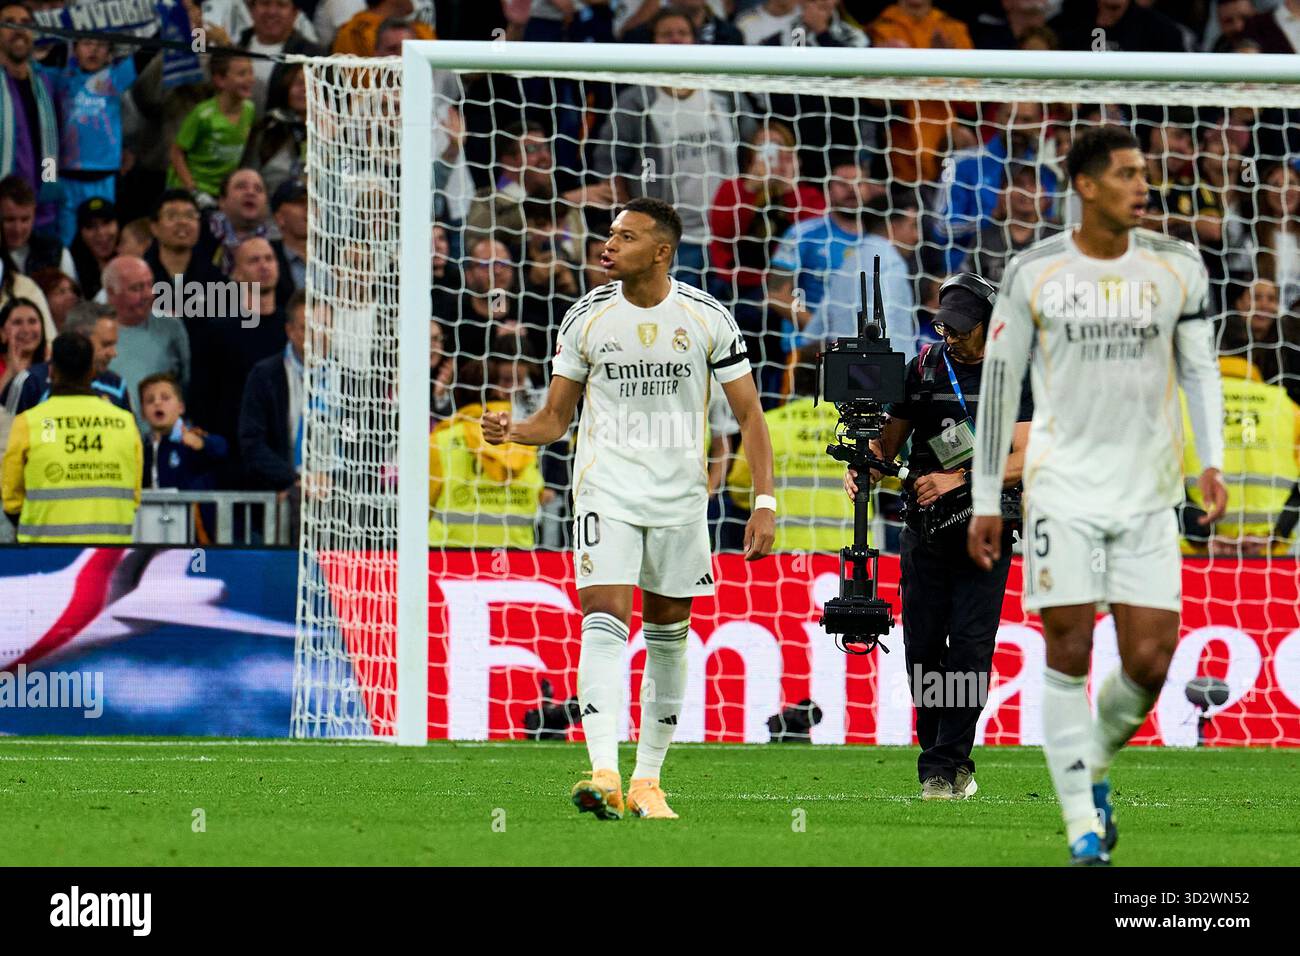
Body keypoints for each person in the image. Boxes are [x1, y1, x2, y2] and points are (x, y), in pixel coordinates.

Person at [968, 126, 1228, 865]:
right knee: (1069, 647)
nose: (1142, 186)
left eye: (1145, 173)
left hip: (1146, 491)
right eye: (1126, 174)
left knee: (1150, 660)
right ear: (1086, 185)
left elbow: (1200, 370)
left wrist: (1210, 461)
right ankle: (1083, 825)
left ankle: (1098, 763)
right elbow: (996, 388)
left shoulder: (1177, 266)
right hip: (1063, 488)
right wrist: (988, 494)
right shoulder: (1035, 271)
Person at [482, 197, 775, 820]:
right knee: (604, 622)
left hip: (679, 498)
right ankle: (603, 772)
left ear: (662, 251)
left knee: (669, 635)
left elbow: (750, 413)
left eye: (626, 237)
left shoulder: (706, 317)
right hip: (606, 491)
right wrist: (514, 431)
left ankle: (648, 781)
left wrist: (765, 502)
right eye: (609, 234)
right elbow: (555, 420)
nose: (608, 245)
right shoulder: (586, 315)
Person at [844, 272, 1032, 800]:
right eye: (944, 325)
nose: (949, 334)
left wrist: (961, 477)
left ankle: (947, 765)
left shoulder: (1014, 373)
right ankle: (940, 761)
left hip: (985, 529)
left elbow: (1029, 456)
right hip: (923, 533)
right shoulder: (923, 367)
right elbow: (889, 443)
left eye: (960, 327)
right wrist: (868, 464)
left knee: (970, 652)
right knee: (923, 651)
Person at [2, 330, 142, 543]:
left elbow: (11, 499)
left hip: (43, 556)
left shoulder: (31, 422)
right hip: (109, 555)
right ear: (92, 372)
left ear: (52, 371)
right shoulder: (124, 422)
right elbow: (134, 495)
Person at [1181, 320, 1300, 558]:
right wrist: (1277, 532)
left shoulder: (1180, 404)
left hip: (1195, 555)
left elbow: (1157, 477)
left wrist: (1201, 534)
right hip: (1270, 556)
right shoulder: (1287, 407)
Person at [727, 357, 850, 551]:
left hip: (782, 548)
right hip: (849, 548)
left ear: (791, 380)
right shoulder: (852, 426)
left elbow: (738, 484)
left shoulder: (770, 424)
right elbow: (890, 480)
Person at [166, 54, 257, 203]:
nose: (250, 79)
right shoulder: (203, 115)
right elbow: (176, 152)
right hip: (190, 191)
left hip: (221, 193)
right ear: (220, 80)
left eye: (251, 72)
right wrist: (192, 189)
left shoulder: (250, 110)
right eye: (242, 74)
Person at [14, 300, 130, 414]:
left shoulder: (117, 385)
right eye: (106, 344)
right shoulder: (30, 382)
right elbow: (9, 430)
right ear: (79, 339)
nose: (113, 353)